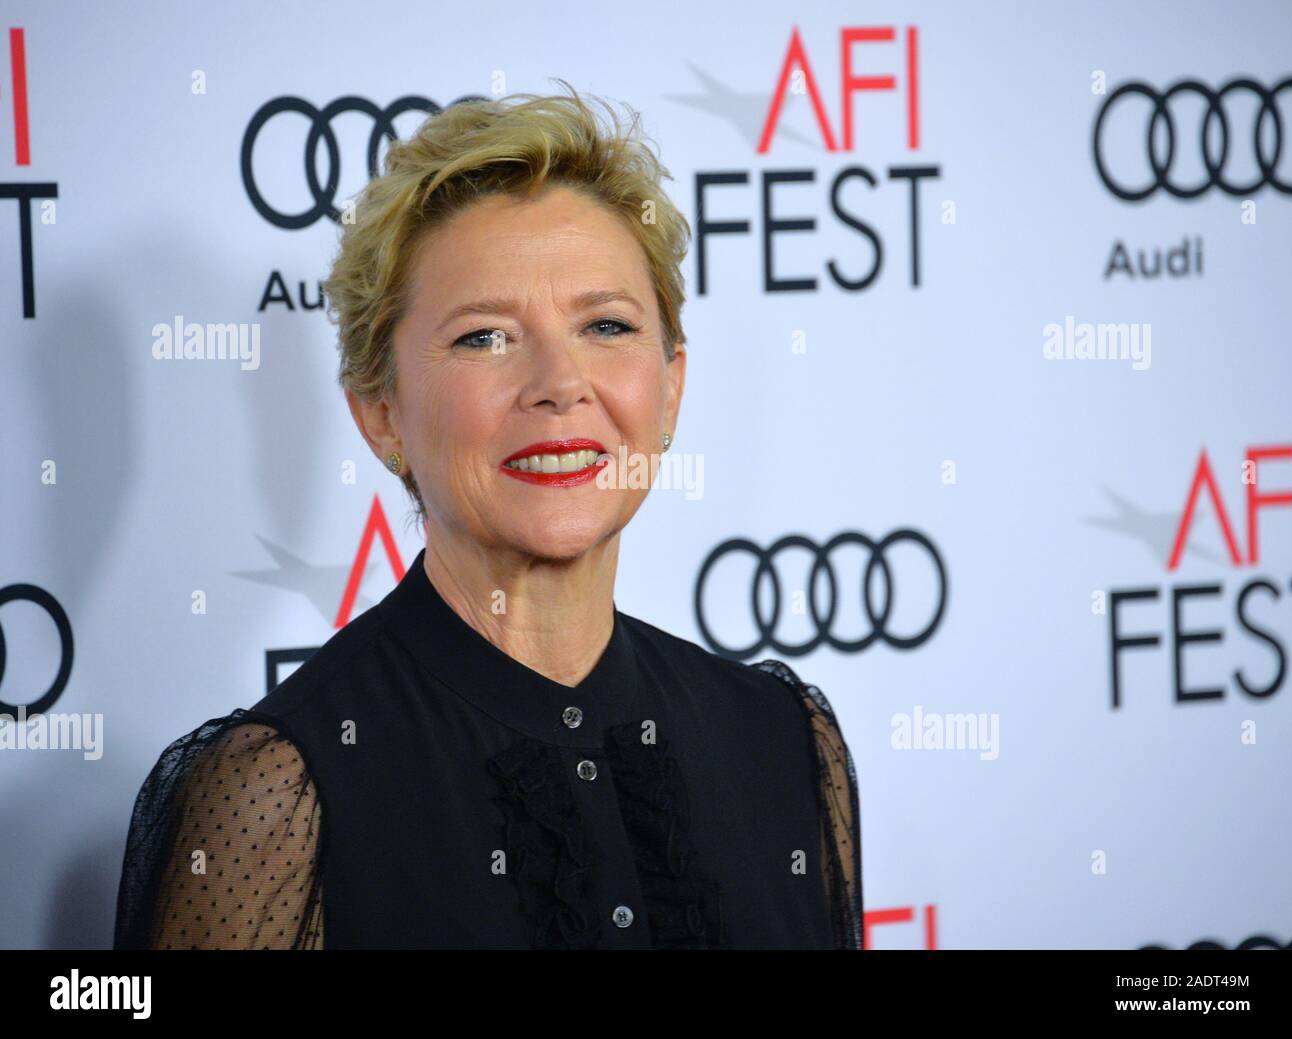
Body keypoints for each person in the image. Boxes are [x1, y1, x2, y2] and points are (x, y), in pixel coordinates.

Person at [113, 81, 862, 950]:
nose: (557, 383)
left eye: (607, 326)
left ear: (671, 389)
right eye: (485, 337)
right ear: (379, 411)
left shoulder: (783, 741)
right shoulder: (276, 793)